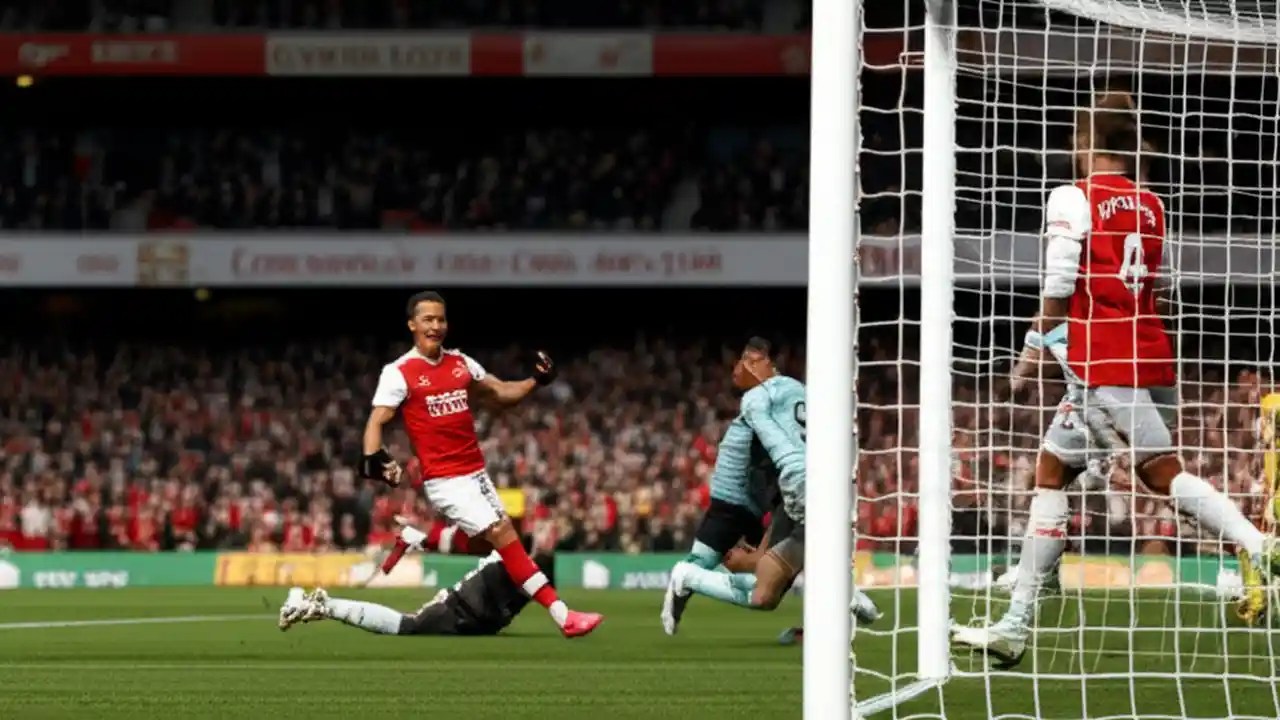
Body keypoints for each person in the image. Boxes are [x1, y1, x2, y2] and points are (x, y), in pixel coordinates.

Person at [952, 91, 1278, 666]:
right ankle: (1017, 621)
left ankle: (1260, 545)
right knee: (1051, 470)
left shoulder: (1072, 197)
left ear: (1083, 146)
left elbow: (1057, 286)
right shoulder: (1152, 204)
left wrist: (1028, 360)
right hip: (1148, 354)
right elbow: (1163, 289)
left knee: (1159, 473)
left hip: (1104, 361)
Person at [360, 290, 602, 638]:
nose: (436, 325)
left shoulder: (460, 363)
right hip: (445, 479)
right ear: (412, 324)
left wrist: (536, 381)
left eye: (441, 319)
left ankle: (421, 539)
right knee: (503, 535)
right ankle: (563, 615)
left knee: (494, 545)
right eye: (428, 319)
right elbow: (377, 420)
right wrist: (374, 457)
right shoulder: (399, 371)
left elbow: (500, 393)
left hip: (476, 472)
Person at [659, 337, 782, 635]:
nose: (742, 369)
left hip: (734, 498)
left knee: (702, 563)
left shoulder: (762, 401)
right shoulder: (763, 403)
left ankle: (683, 585)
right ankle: (685, 581)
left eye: (751, 361)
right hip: (739, 499)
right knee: (775, 575)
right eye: (745, 361)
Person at [278, 534, 559, 637]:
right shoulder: (512, 574)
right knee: (407, 626)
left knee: (407, 625)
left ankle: (322, 604)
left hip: (462, 613)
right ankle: (324, 606)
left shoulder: (511, 565)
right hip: (461, 614)